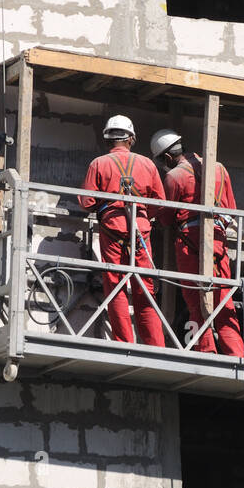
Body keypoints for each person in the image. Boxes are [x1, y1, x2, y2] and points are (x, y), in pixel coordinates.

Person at [150, 128, 244, 357]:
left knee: (197, 303)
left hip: (189, 244)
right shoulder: (219, 168)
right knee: (224, 304)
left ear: (167, 157)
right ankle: (237, 356)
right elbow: (231, 209)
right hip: (219, 243)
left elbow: (166, 218)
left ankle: (207, 353)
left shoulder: (174, 177)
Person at [78, 115, 166, 346]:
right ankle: (155, 345)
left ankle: (124, 343)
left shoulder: (98, 164)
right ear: (131, 138)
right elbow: (160, 202)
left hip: (112, 230)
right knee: (144, 289)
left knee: (115, 286)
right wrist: (144, 215)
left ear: (108, 139)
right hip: (141, 232)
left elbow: (86, 202)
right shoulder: (148, 164)